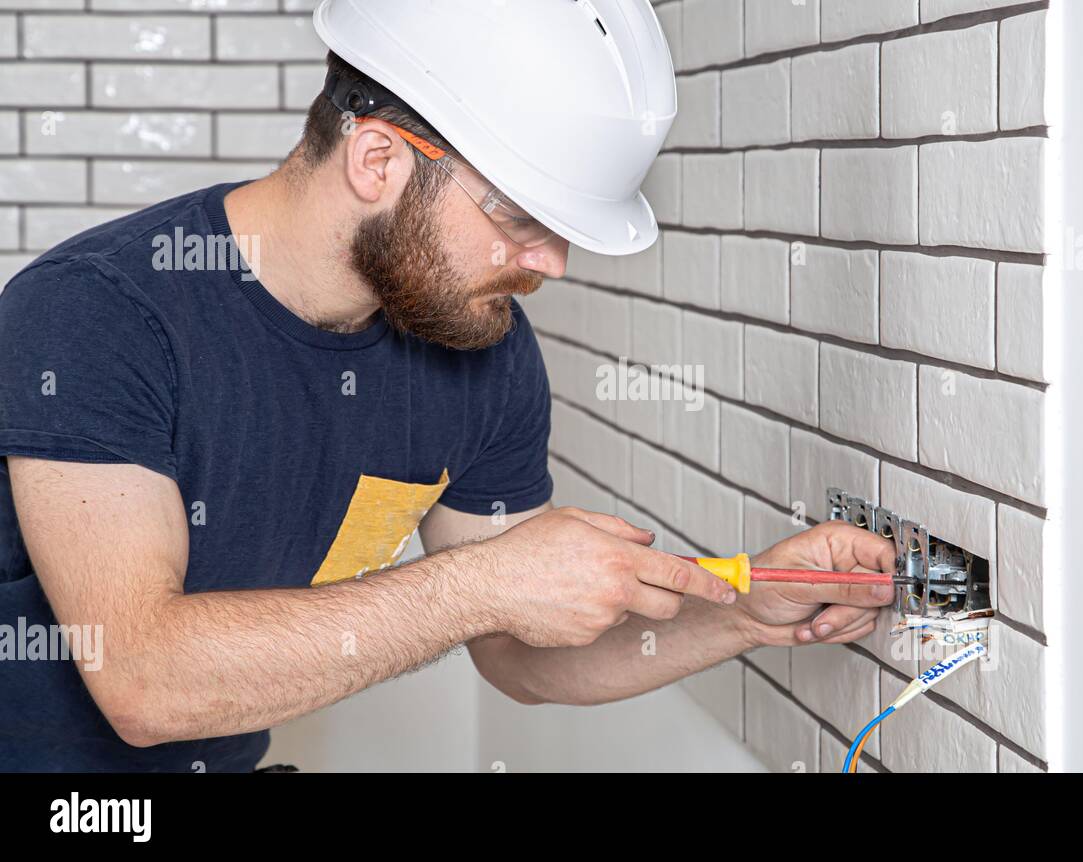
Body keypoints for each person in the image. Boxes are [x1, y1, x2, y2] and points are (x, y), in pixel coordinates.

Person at [0, 0, 894, 772]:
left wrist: (745, 612)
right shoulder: (97, 315)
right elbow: (145, 682)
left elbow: (518, 654)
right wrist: (480, 585)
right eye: (520, 219)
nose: (551, 263)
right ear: (378, 161)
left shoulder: (482, 350)